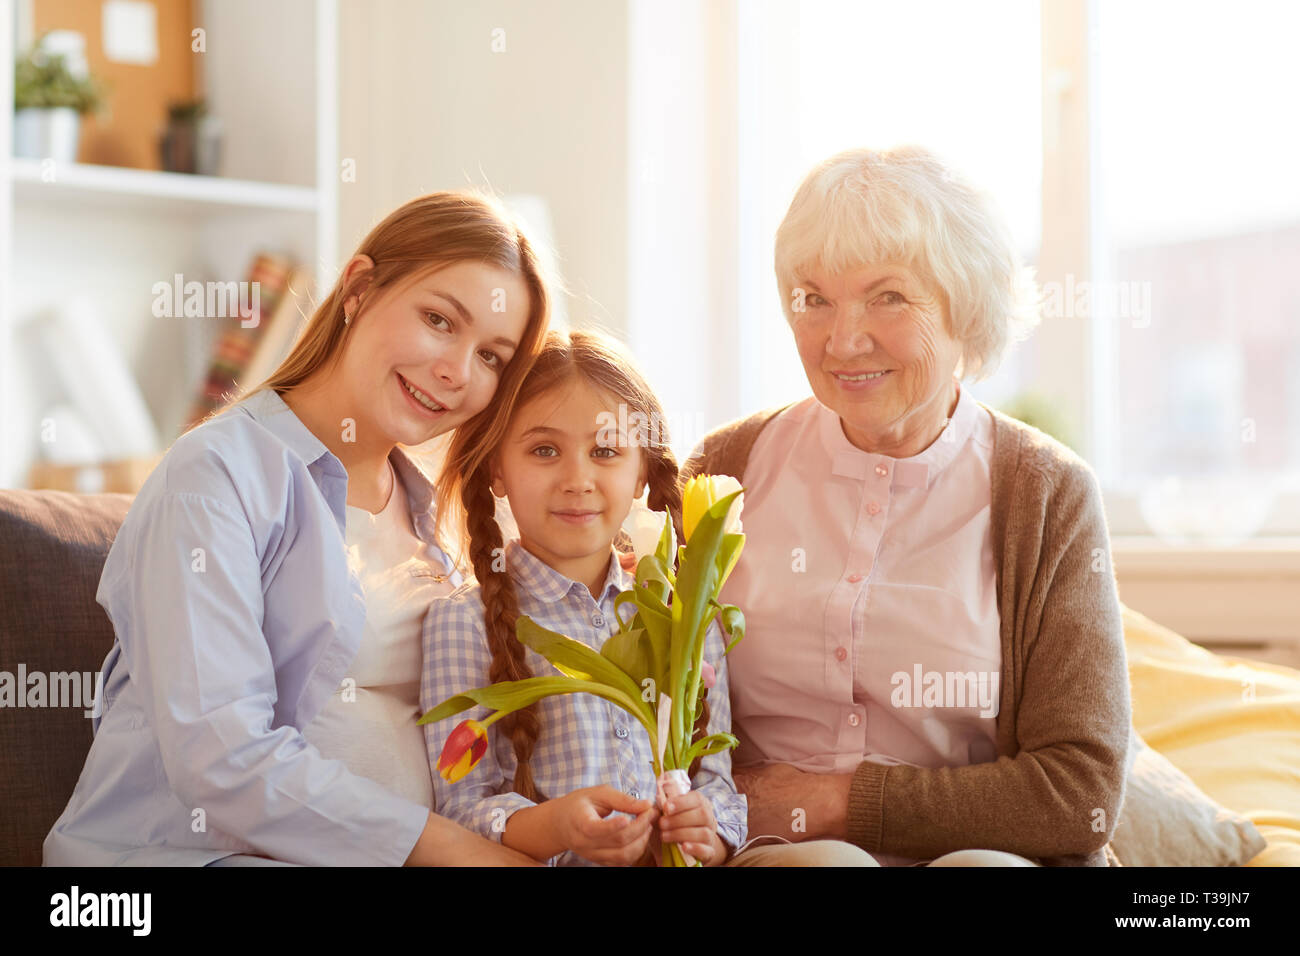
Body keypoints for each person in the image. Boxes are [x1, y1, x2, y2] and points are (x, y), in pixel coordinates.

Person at [44, 191, 551, 866]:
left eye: (491, 357)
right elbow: (222, 757)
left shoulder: (444, 520)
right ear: (359, 290)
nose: (456, 372)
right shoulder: (216, 475)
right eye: (439, 320)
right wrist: (456, 851)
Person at [682, 145, 1131, 866]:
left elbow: (1080, 792)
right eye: (814, 299)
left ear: (967, 307)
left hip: (980, 851)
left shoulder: (1047, 492)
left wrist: (836, 801)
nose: (843, 339)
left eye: (887, 296)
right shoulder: (722, 468)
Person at [422, 329, 876, 866]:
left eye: (605, 451)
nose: (577, 479)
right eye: (544, 450)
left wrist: (708, 830)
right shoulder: (463, 621)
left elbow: (718, 786)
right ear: (497, 468)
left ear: (642, 472)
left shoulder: (685, 615)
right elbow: (460, 807)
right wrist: (555, 826)